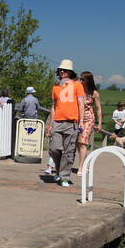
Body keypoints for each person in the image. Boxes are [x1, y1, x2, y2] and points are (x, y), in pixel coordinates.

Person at [45, 59, 84, 187]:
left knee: (69, 151)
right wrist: (50, 124)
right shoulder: (56, 87)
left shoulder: (77, 85)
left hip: (72, 122)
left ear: (70, 72)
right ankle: (58, 169)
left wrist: (81, 121)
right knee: (54, 149)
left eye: (65, 70)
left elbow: (80, 104)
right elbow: (53, 106)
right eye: (61, 70)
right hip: (57, 121)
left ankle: (64, 177)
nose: (62, 72)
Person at [77, 71, 103, 173]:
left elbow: (98, 108)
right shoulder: (79, 89)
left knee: (82, 142)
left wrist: (99, 123)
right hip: (79, 118)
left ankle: (81, 167)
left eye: (82, 79)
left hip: (89, 118)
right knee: (78, 144)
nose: (81, 81)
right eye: (80, 79)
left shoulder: (94, 93)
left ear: (88, 80)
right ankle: (85, 162)